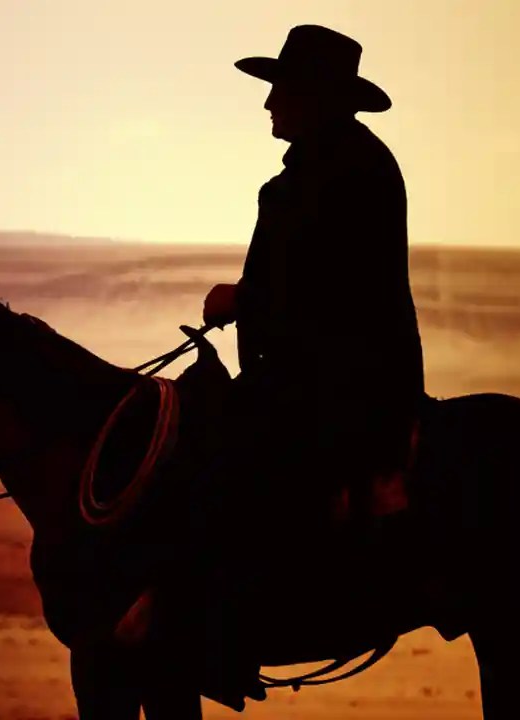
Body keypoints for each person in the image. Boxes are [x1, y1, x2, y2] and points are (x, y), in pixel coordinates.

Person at [195, 24, 425, 708]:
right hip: (328, 369)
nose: (268, 105)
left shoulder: (340, 172)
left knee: (220, 462)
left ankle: (228, 639)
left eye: (281, 91)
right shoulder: (337, 164)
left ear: (315, 97)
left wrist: (243, 298)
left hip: (339, 380)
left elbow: (322, 290)